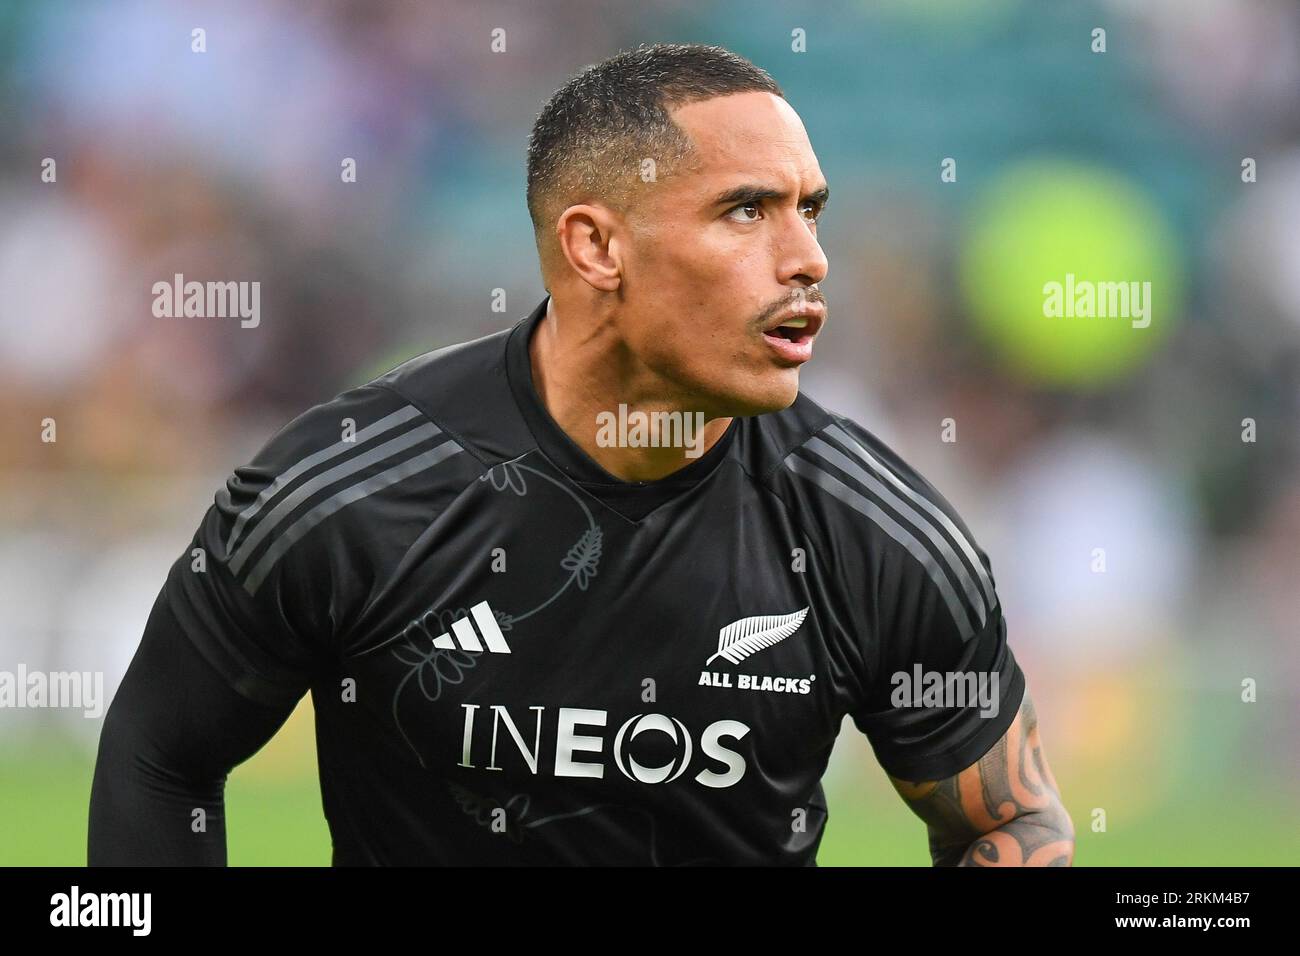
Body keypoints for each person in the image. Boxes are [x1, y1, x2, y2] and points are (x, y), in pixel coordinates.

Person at [88, 42, 1073, 866]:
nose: (808, 257)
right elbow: (160, 752)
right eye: (746, 211)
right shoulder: (345, 491)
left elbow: (1010, 816)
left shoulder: (872, 533)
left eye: (808, 209)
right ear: (596, 247)